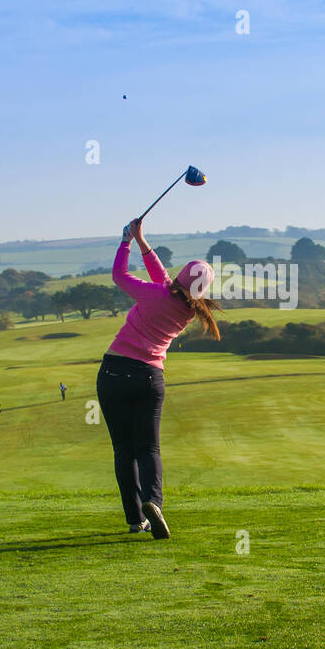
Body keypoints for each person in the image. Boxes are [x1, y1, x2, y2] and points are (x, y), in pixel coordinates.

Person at [97, 218, 220, 539]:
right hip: (149, 378)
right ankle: (155, 503)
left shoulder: (155, 295)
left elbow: (119, 276)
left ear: (181, 277)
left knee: (124, 451)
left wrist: (124, 241)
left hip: (113, 373)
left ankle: (136, 519)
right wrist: (141, 239)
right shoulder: (189, 308)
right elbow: (163, 279)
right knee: (149, 449)